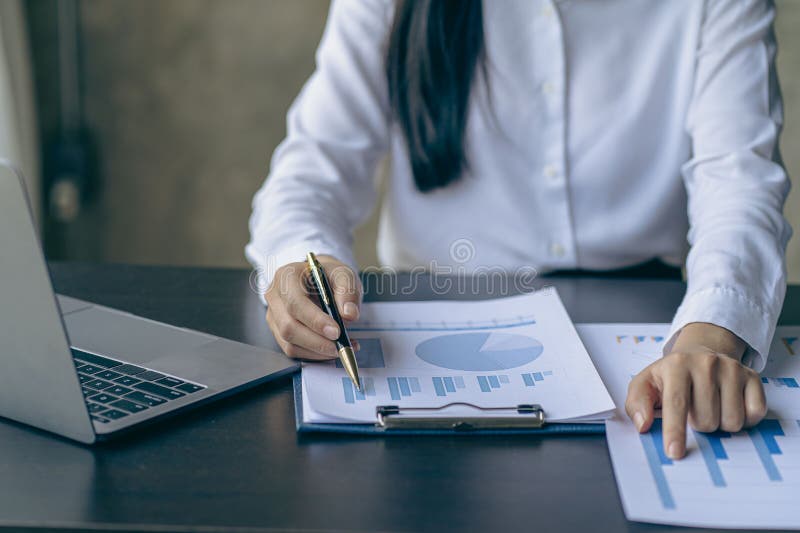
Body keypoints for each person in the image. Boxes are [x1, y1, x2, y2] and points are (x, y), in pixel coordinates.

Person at [246, 0, 791, 460]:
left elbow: (739, 184)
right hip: (428, 319)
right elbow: (311, 171)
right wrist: (299, 261)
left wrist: (710, 333)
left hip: (645, 320)